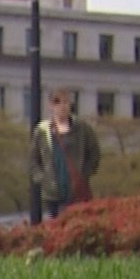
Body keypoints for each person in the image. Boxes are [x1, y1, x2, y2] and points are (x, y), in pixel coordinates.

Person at [30, 89, 101, 220]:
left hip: (76, 190)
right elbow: (34, 159)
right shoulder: (43, 130)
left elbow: (94, 153)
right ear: (51, 105)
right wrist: (42, 178)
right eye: (57, 102)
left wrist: (85, 174)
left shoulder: (82, 128)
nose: (62, 106)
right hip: (52, 192)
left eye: (66, 102)